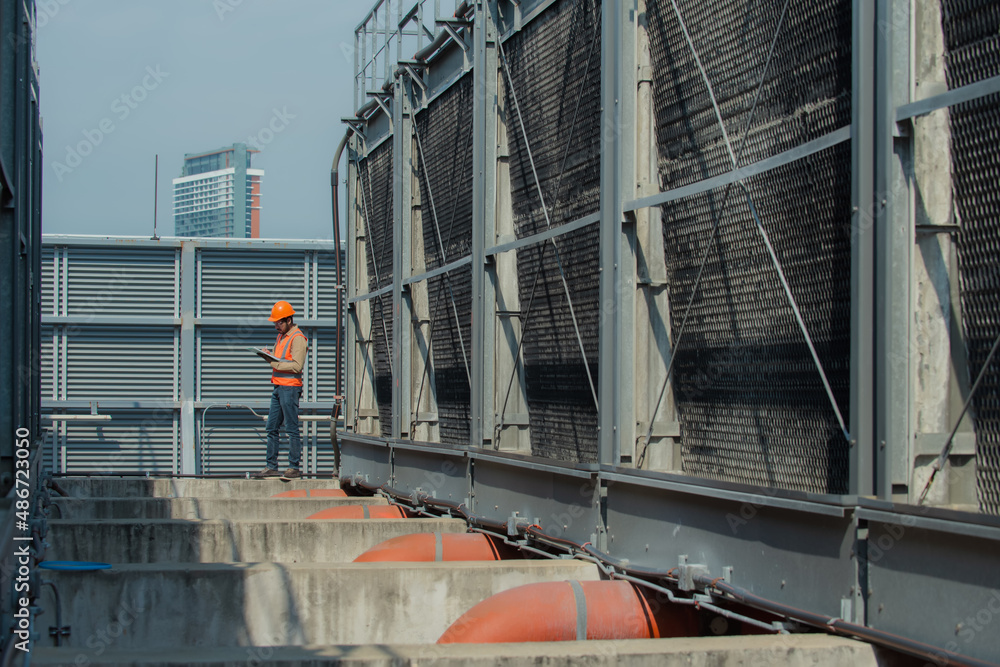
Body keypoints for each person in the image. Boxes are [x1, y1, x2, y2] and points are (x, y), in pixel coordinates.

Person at [252, 300, 308, 480]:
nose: (276, 325)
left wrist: (272, 361)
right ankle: (271, 466)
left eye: (279, 322)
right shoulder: (281, 336)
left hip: (290, 389)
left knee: (291, 428)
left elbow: (297, 366)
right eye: (275, 322)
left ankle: (293, 467)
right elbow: (280, 359)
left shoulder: (297, 338)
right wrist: (268, 354)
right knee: (271, 427)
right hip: (278, 387)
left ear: (289, 320)